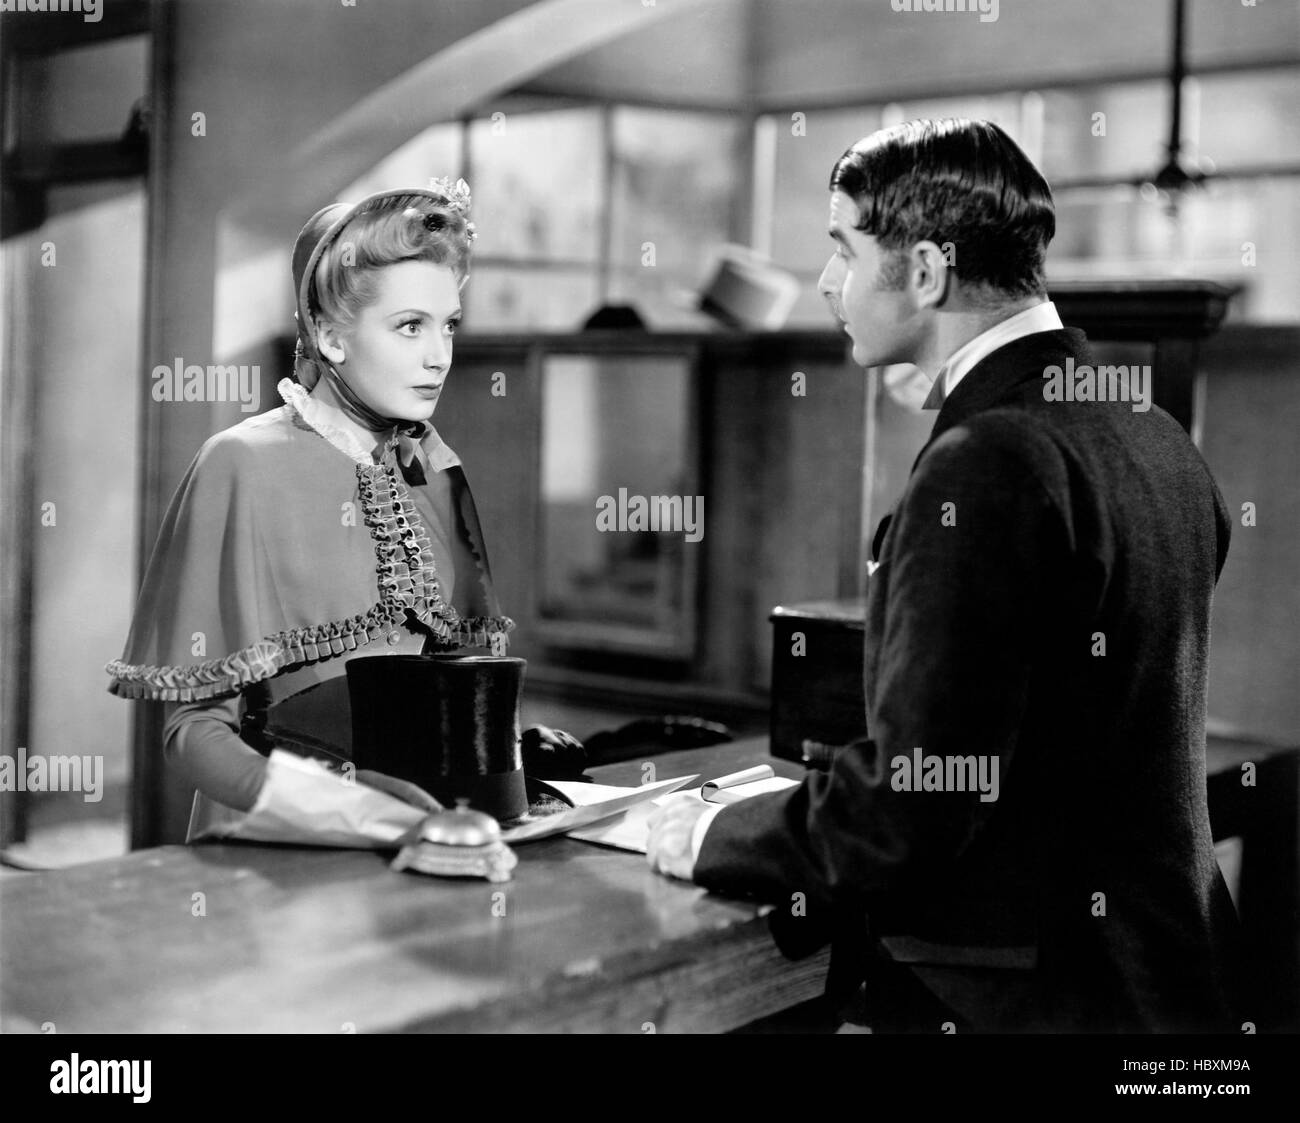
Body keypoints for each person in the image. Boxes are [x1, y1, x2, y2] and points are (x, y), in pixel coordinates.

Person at [647, 119, 1241, 1034]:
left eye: (844, 249)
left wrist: (709, 834)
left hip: (1024, 1001)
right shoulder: (1152, 432)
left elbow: (917, 803)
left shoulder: (987, 459)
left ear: (926, 273)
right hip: (1171, 981)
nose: (826, 282)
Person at [108, 179, 575, 823]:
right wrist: (347, 813)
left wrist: (511, 753)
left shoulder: (436, 469)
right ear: (329, 335)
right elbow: (191, 733)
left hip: (426, 833)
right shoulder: (239, 463)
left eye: (448, 326)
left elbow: (455, 694)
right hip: (280, 840)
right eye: (409, 327)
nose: (439, 357)